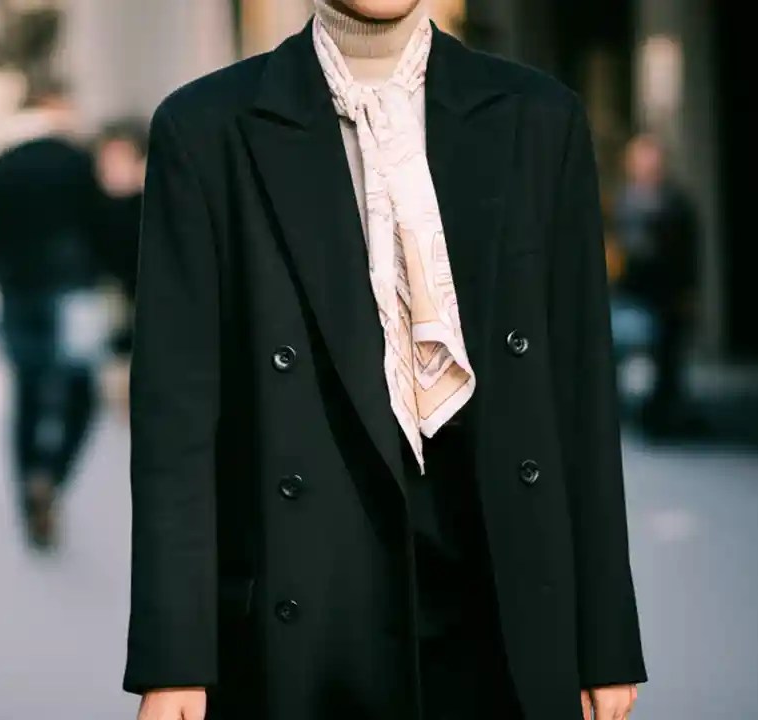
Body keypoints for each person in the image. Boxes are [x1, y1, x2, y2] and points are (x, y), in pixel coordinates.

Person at [125, 2, 646, 719]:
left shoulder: (539, 120)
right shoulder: (207, 129)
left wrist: (604, 639)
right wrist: (175, 661)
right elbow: (176, 422)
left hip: (504, 605)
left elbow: (581, 395)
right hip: (307, 614)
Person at [0, 80, 107, 550]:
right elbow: (102, 227)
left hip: (17, 292)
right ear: (57, 107)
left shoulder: (4, 163)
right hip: (73, 290)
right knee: (82, 395)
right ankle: (52, 476)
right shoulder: (78, 159)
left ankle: (28, 490)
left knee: (27, 395)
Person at [614, 134, 698, 437]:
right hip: (633, 291)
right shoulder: (625, 201)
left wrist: (689, 291)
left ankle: (665, 412)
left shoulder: (676, 202)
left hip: (667, 292)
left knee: (669, 356)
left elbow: (688, 251)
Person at [92, 119, 148, 357]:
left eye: (119, 159)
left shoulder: (156, 206)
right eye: (106, 160)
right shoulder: (94, 207)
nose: (110, 168)